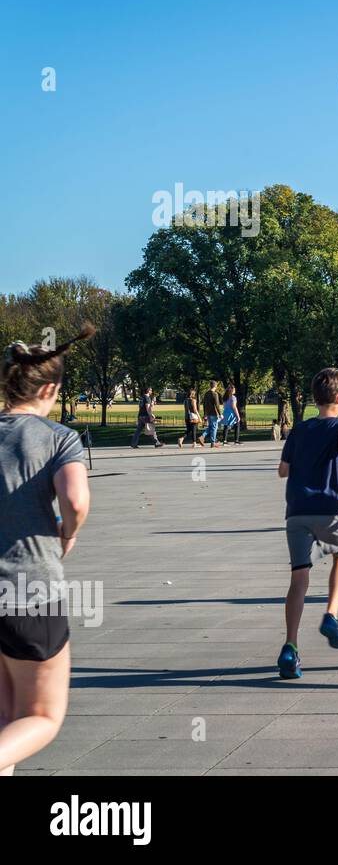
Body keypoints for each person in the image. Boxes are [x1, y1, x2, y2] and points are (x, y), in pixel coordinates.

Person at [0, 326, 93, 775]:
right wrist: (66, 530)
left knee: (5, 721)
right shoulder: (58, 437)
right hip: (28, 589)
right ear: (50, 388)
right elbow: (75, 500)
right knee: (40, 716)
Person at [275, 368, 338, 680]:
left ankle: (290, 647)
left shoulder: (299, 430)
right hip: (328, 507)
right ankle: (331, 614)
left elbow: (282, 470)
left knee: (298, 579)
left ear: (315, 398)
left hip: (296, 510)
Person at [201, 380, 222, 447]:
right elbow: (217, 405)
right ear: (215, 386)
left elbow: (204, 404)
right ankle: (213, 442)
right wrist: (220, 414)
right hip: (214, 413)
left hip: (208, 413)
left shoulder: (206, 394)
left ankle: (202, 436)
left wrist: (205, 414)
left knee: (210, 427)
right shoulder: (215, 394)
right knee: (214, 428)